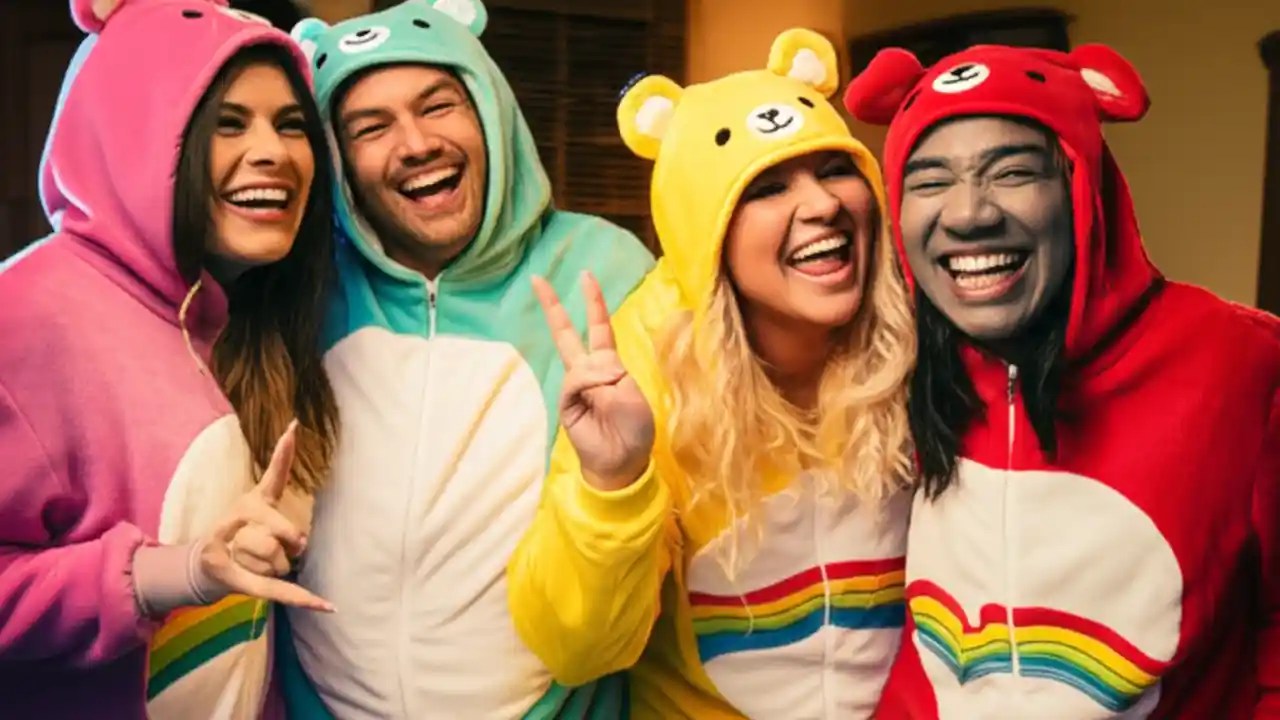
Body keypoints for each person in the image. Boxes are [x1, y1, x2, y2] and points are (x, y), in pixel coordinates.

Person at [843, 43, 1280, 719]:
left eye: (1012, 172)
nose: (968, 213)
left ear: (1082, 185)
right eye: (929, 181)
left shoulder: (1241, 364)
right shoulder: (898, 371)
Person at [508, 28, 918, 719]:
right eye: (768, 187)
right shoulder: (647, 361)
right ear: (707, 228)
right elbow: (576, 651)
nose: (822, 204)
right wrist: (613, 485)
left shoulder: (920, 342)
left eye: (834, 170)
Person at [275, 0, 655, 717]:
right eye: (370, 128)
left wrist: (617, 475)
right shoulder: (300, 289)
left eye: (438, 106)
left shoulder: (605, 269)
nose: (416, 144)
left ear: (490, 112)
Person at [0, 1, 341, 717]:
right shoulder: (28, 313)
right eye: (228, 122)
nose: (274, 151)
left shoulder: (233, 321)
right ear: (137, 132)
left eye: (291, 124)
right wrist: (161, 575)